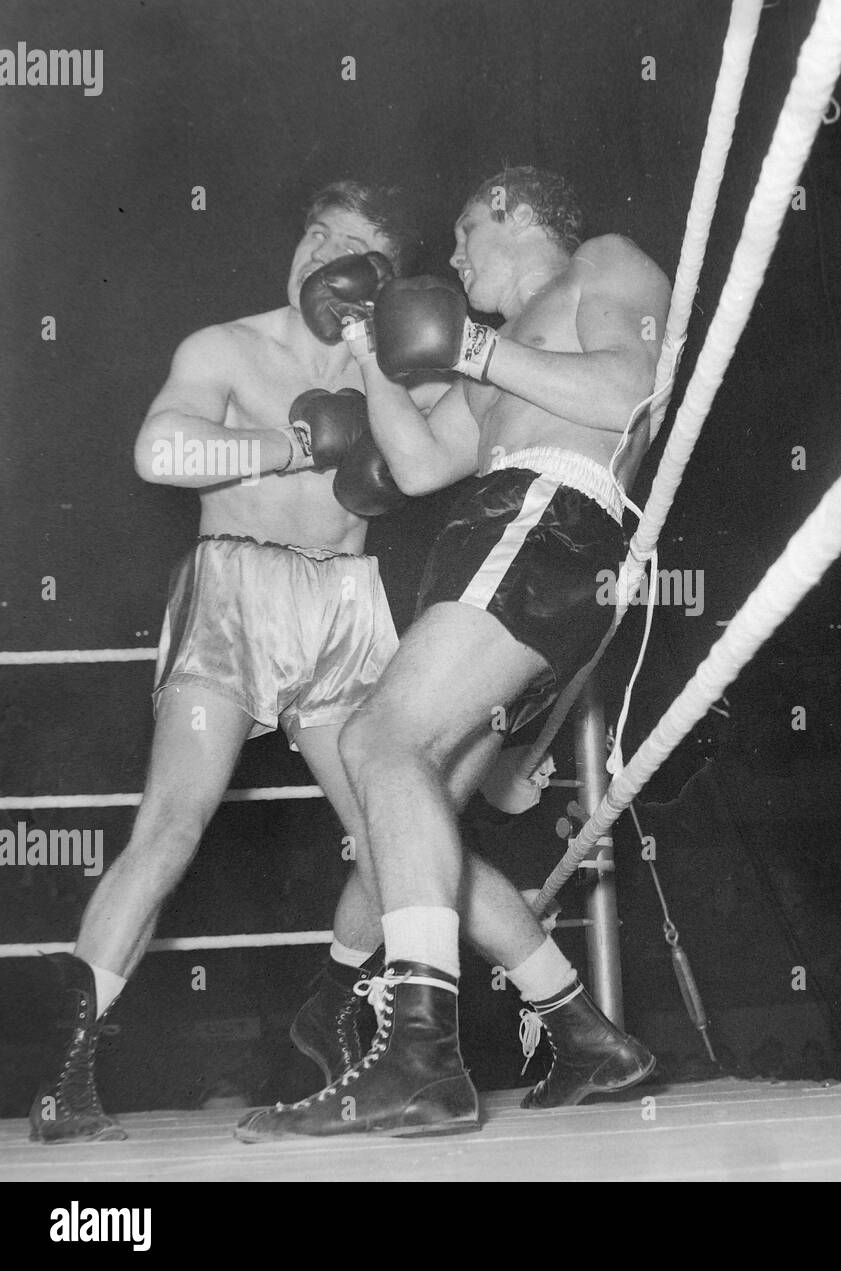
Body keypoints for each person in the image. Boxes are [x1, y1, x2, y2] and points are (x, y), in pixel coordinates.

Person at [236, 165, 670, 1140]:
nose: (455, 255)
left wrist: (472, 345)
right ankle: (584, 1033)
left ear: (508, 209)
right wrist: (369, 352)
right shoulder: (505, 352)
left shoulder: (604, 265)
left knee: (380, 742)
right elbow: (425, 463)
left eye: (465, 231)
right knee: (419, 785)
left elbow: (629, 389)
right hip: (499, 534)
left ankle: (419, 1056)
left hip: (544, 517)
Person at [29, 179, 423, 1143]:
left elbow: (462, 450)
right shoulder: (225, 347)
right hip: (236, 592)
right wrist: (288, 447)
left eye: (349, 243)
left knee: (396, 834)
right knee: (170, 826)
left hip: (343, 603)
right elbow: (158, 450)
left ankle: (335, 997)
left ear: (380, 276)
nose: (318, 252)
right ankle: (66, 1078)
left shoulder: (402, 379)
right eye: (314, 233)